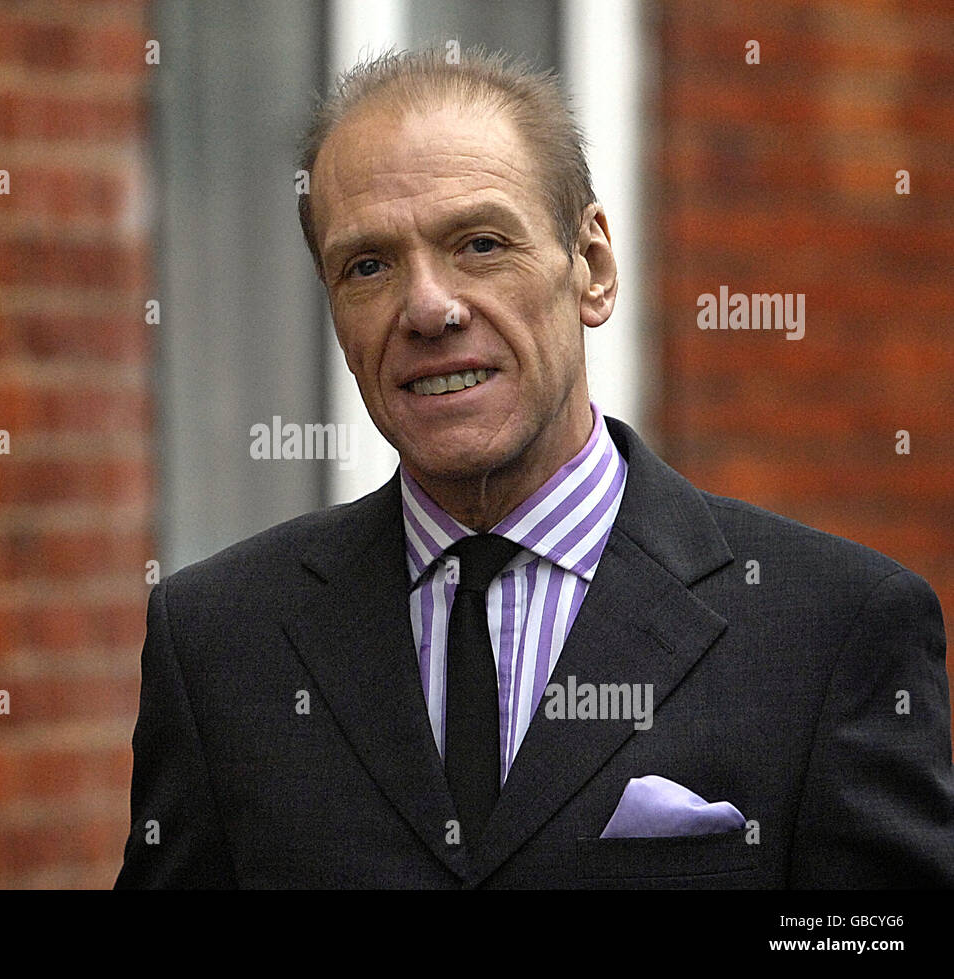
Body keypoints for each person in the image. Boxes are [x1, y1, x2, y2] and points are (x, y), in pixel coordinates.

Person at [115, 48, 953, 888]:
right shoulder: (220, 643)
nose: (429, 308)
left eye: (480, 243)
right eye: (368, 265)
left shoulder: (831, 631)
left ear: (591, 267)